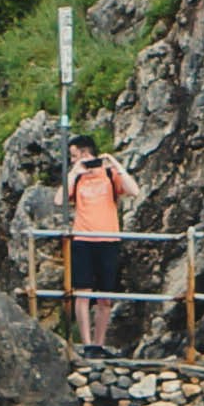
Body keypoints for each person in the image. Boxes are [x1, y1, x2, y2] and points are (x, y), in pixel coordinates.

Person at [63, 130, 142, 353]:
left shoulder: (108, 175)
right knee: (83, 293)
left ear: (85, 153)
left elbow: (134, 190)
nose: (73, 160)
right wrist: (72, 173)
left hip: (108, 239)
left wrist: (115, 165)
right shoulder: (77, 177)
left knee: (105, 297)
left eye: (74, 156)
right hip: (82, 239)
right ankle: (87, 343)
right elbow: (59, 199)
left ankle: (99, 343)